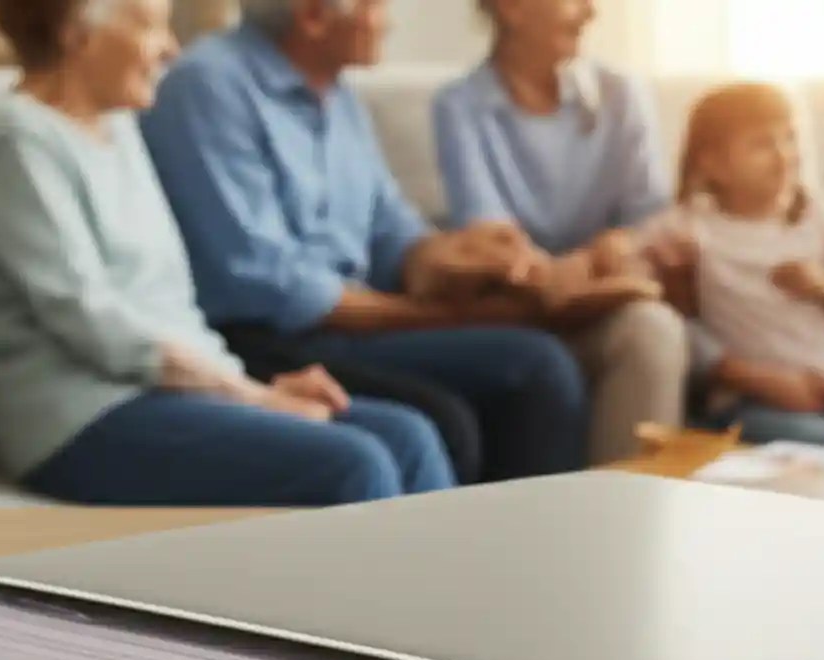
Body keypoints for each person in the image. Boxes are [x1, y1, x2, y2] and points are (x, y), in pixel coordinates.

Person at [0, 0, 455, 506]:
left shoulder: (118, 125)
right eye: (150, 26)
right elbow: (94, 325)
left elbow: (170, 305)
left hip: (169, 391)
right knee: (353, 464)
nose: (170, 48)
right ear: (74, 33)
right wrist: (256, 397)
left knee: (410, 436)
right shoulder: (19, 144)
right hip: (81, 417)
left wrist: (244, 384)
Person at [140, 0, 589, 483]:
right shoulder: (207, 86)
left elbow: (394, 232)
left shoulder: (338, 96)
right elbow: (271, 287)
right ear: (313, 16)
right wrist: (447, 317)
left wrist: (474, 261)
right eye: (376, 6)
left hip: (338, 329)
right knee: (458, 409)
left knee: (537, 363)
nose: (389, 19)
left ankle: (531, 552)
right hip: (263, 337)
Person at [432, 0, 690, 463]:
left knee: (654, 331)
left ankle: (629, 516)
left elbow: (651, 219)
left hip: (602, 304)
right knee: (539, 359)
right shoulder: (459, 107)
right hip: (519, 310)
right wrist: (570, 267)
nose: (590, 11)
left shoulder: (621, 94)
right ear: (511, 9)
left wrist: (604, 253)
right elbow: (490, 235)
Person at [638, 84, 824, 448]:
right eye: (761, 144)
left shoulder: (816, 212)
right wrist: (666, 269)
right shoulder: (689, 227)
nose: (784, 156)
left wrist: (822, 284)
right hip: (751, 399)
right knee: (820, 448)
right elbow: (630, 256)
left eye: (790, 138)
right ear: (712, 164)